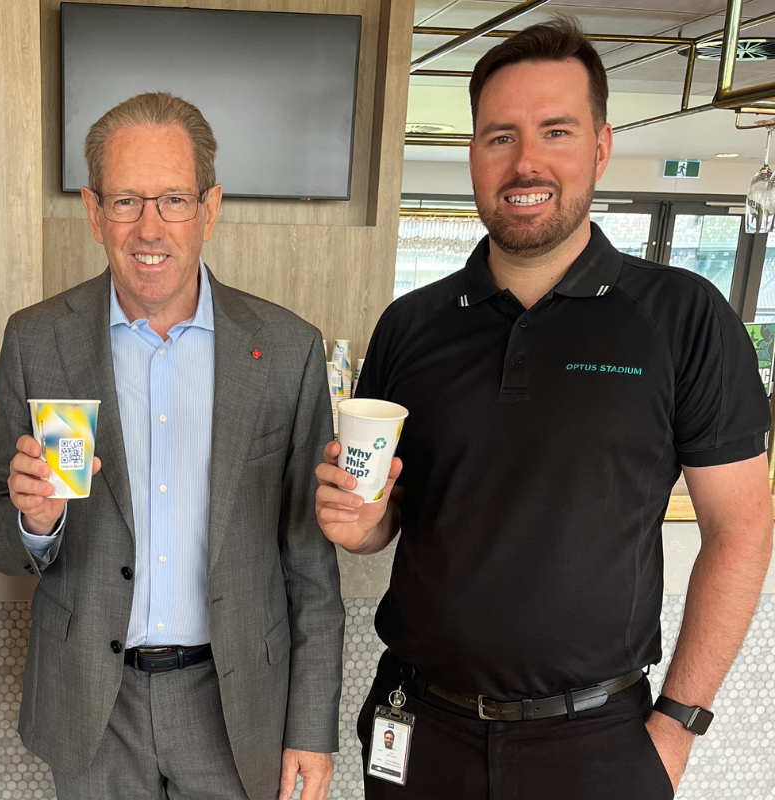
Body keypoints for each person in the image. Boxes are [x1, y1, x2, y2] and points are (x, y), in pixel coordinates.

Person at [314, 19, 773, 800]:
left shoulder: (682, 317)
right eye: (499, 136)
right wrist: (362, 528)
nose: (525, 162)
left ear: (599, 145)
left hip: (597, 744)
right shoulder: (412, 325)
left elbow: (742, 530)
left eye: (554, 131)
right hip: (418, 730)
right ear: (472, 156)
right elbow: (393, 517)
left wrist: (677, 725)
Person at [0, 92, 345, 800]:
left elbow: (310, 566)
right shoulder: (37, 340)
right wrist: (35, 520)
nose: (150, 227)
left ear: (209, 208)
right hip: (92, 708)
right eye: (125, 201)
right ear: (92, 211)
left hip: (235, 706)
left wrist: (312, 728)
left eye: (174, 199)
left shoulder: (286, 350)